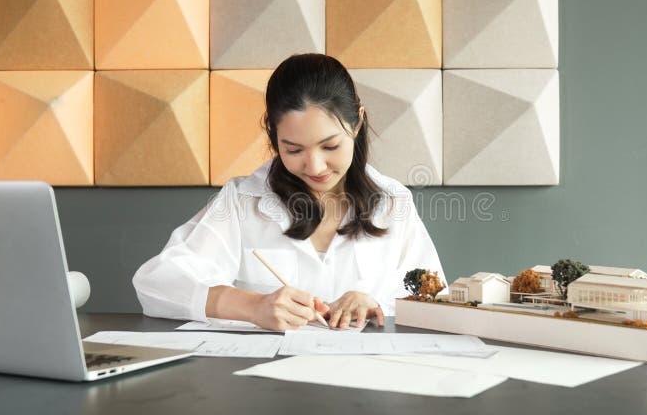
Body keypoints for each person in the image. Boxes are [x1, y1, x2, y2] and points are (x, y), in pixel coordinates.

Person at [133, 53, 445, 331]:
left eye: (330, 146)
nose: (315, 166)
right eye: (293, 149)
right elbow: (157, 284)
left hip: (367, 383)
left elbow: (433, 296)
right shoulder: (243, 201)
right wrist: (252, 306)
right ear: (274, 135)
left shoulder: (393, 203)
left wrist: (377, 303)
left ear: (358, 122)